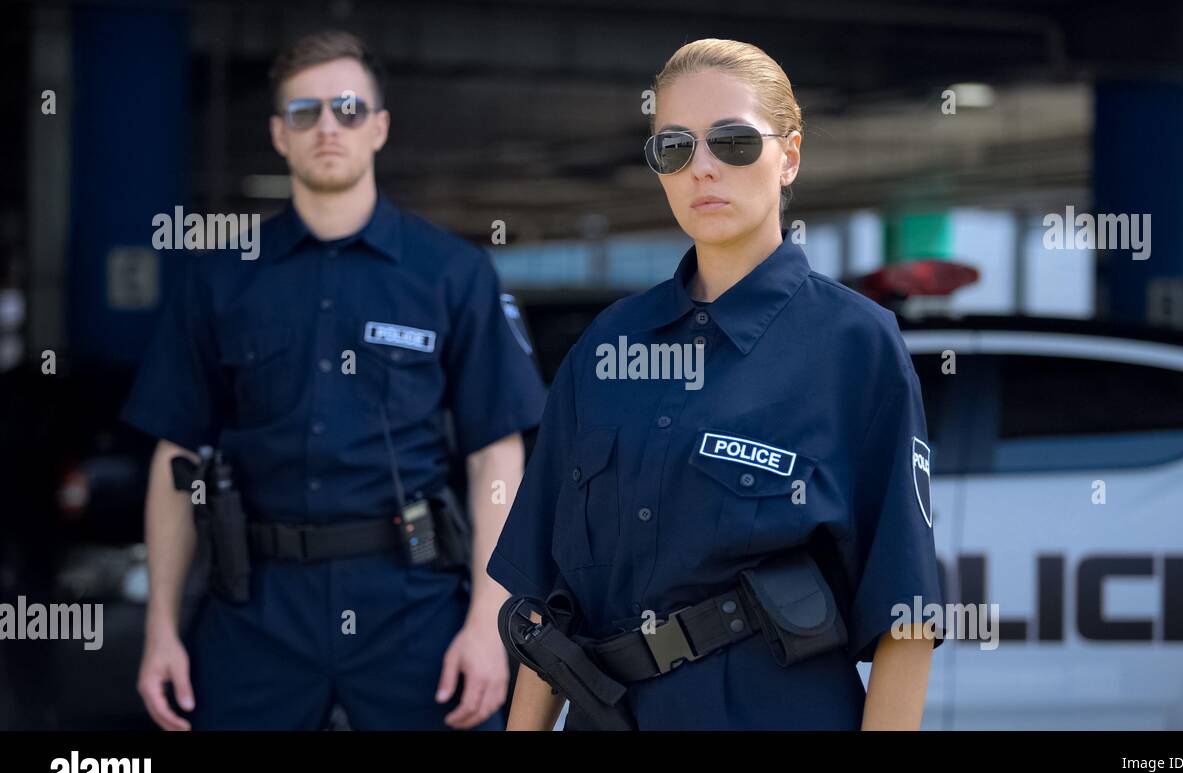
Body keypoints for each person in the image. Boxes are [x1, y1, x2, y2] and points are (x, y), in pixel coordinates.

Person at [488, 38, 946, 730]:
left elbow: (903, 615)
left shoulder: (854, 345)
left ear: (789, 155)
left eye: (731, 141)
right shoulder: (605, 347)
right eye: (674, 148)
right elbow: (545, 599)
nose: (702, 168)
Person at [124, 31, 545, 730]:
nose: (328, 126)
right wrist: (161, 627)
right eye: (305, 112)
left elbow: (496, 453)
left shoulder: (451, 273)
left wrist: (487, 619)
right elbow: (178, 455)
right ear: (278, 135)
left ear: (378, 127)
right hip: (254, 602)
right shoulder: (221, 279)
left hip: (413, 599)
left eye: (348, 109)